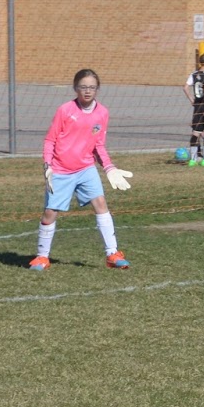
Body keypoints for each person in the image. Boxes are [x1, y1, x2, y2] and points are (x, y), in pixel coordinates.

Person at [30, 69, 132, 271]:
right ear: (76, 88)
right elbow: (50, 139)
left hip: (86, 168)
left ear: (97, 89)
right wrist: (47, 165)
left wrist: (109, 167)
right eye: (83, 87)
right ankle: (42, 257)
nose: (87, 91)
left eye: (92, 87)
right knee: (50, 213)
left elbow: (99, 144)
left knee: (101, 203)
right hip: (60, 169)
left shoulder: (102, 113)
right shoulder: (65, 110)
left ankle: (112, 254)